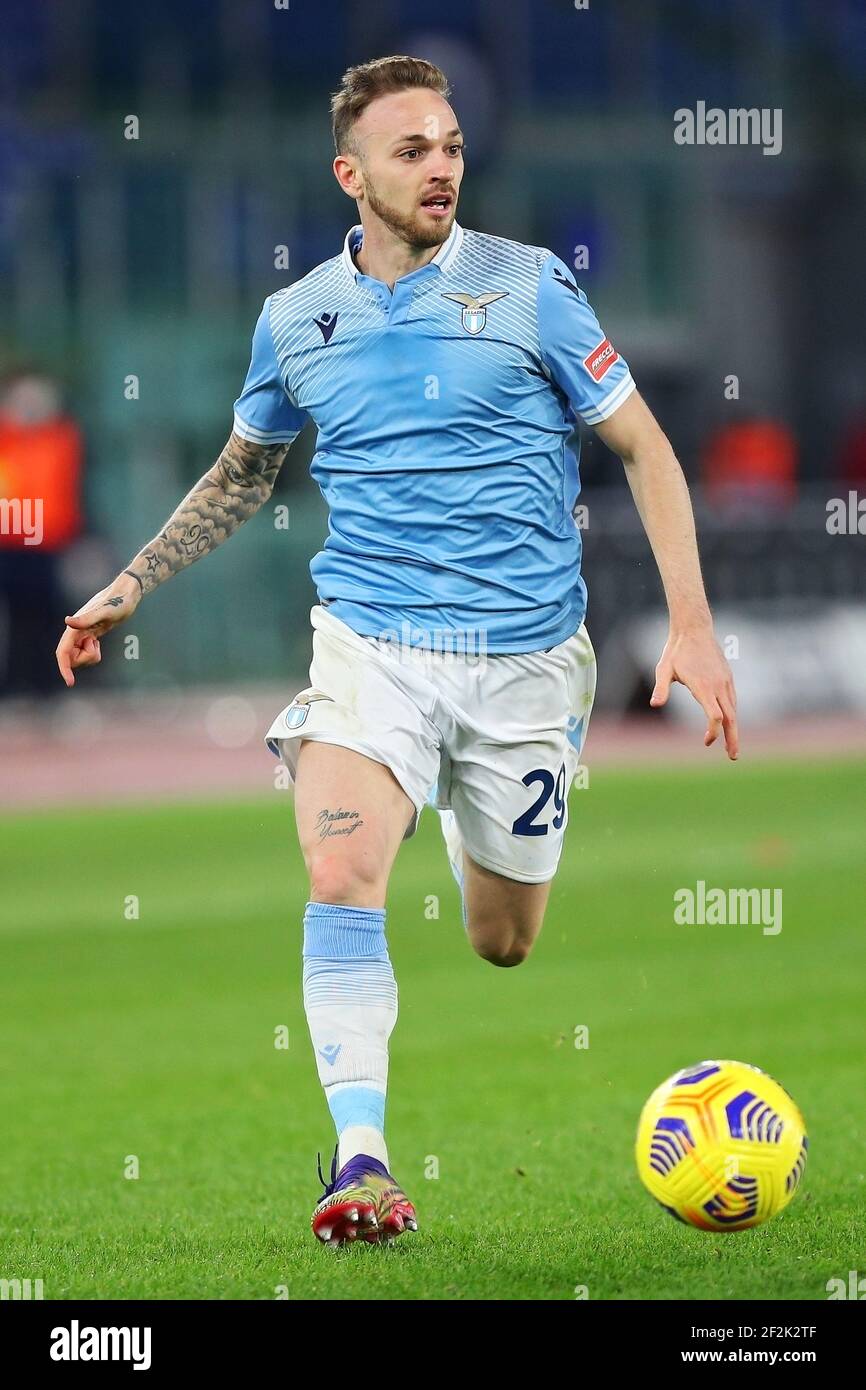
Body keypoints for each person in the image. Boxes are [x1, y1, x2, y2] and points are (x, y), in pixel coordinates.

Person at [55, 55, 738, 1248]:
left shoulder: (531, 288)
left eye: (451, 147)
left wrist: (690, 624)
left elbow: (646, 448)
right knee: (339, 870)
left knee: (501, 939)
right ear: (350, 172)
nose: (438, 167)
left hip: (525, 662)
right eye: (411, 149)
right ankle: (361, 1158)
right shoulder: (295, 318)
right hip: (371, 646)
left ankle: (459, 830)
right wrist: (130, 580)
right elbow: (241, 474)